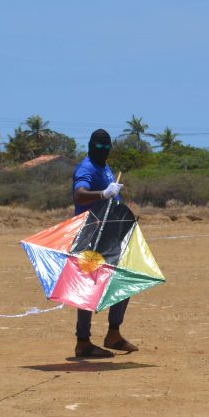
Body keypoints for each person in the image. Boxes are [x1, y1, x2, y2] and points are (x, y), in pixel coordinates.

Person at [71, 129, 137, 358]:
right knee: (88, 285)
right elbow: (79, 195)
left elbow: (111, 196)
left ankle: (114, 334)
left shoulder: (105, 167)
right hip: (90, 234)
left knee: (121, 279)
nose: (103, 151)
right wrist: (103, 194)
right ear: (90, 146)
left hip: (109, 234)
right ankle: (83, 342)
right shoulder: (87, 167)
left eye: (107, 147)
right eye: (99, 147)